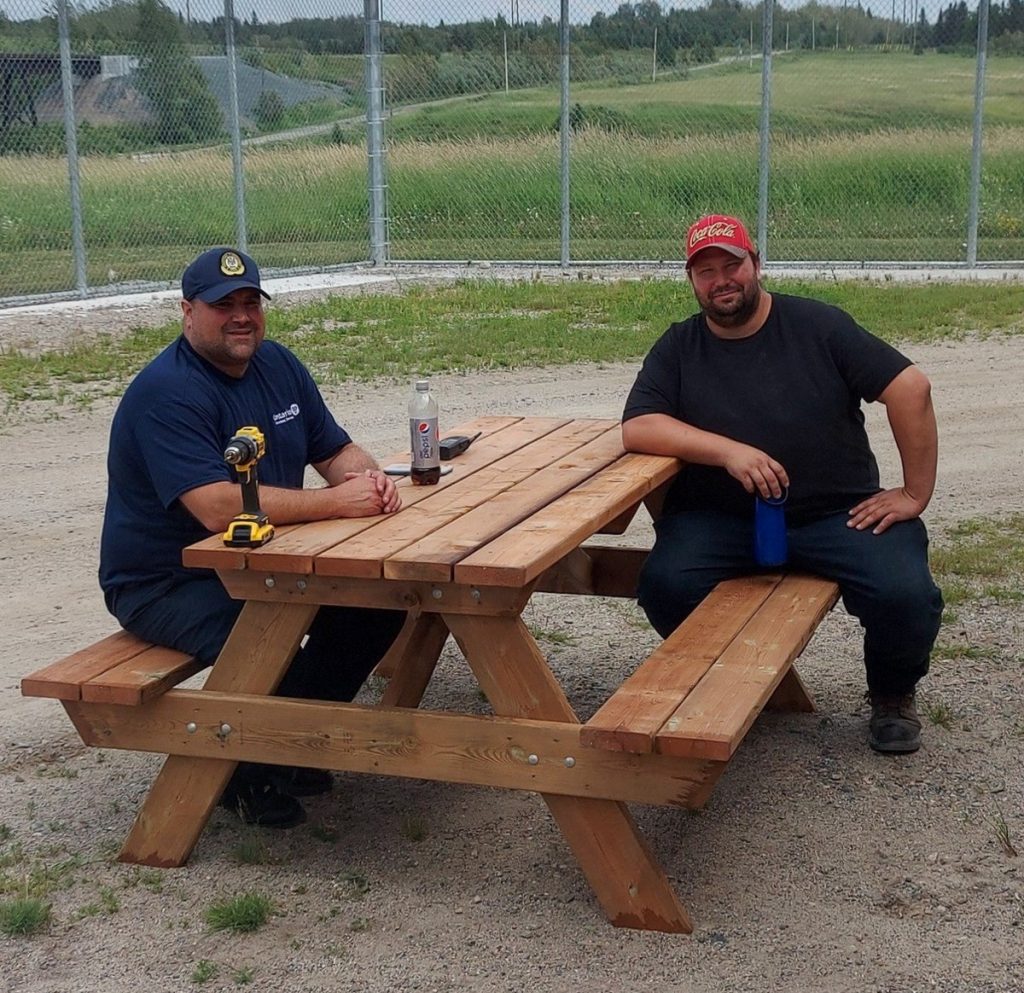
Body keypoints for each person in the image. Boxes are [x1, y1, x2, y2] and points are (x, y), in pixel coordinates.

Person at [99, 247, 406, 827]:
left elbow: (333, 448)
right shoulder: (167, 392)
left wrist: (368, 481)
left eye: (250, 302)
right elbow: (216, 508)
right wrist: (335, 503)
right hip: (168, 582)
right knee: (269, 635)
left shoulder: (279, 365)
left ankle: (291, 742)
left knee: (377, 608)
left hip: (265, 566)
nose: (241, 316)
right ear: (187, 312)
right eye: (223, 305)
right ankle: (246, 772)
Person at [622, 214, 943, 754]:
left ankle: (891, 696)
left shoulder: (819, 326)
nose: (721, 280)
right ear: (692, 281)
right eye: (706, 272)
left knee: (906, 595)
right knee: (665, 586)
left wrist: (915, 494)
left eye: (733, 265)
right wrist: (728, 451)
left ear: (757, 265)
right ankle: (738, 678)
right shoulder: (679, 346)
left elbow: (911, 389)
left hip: (836, 513)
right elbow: (638, 426)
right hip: (723, 519)